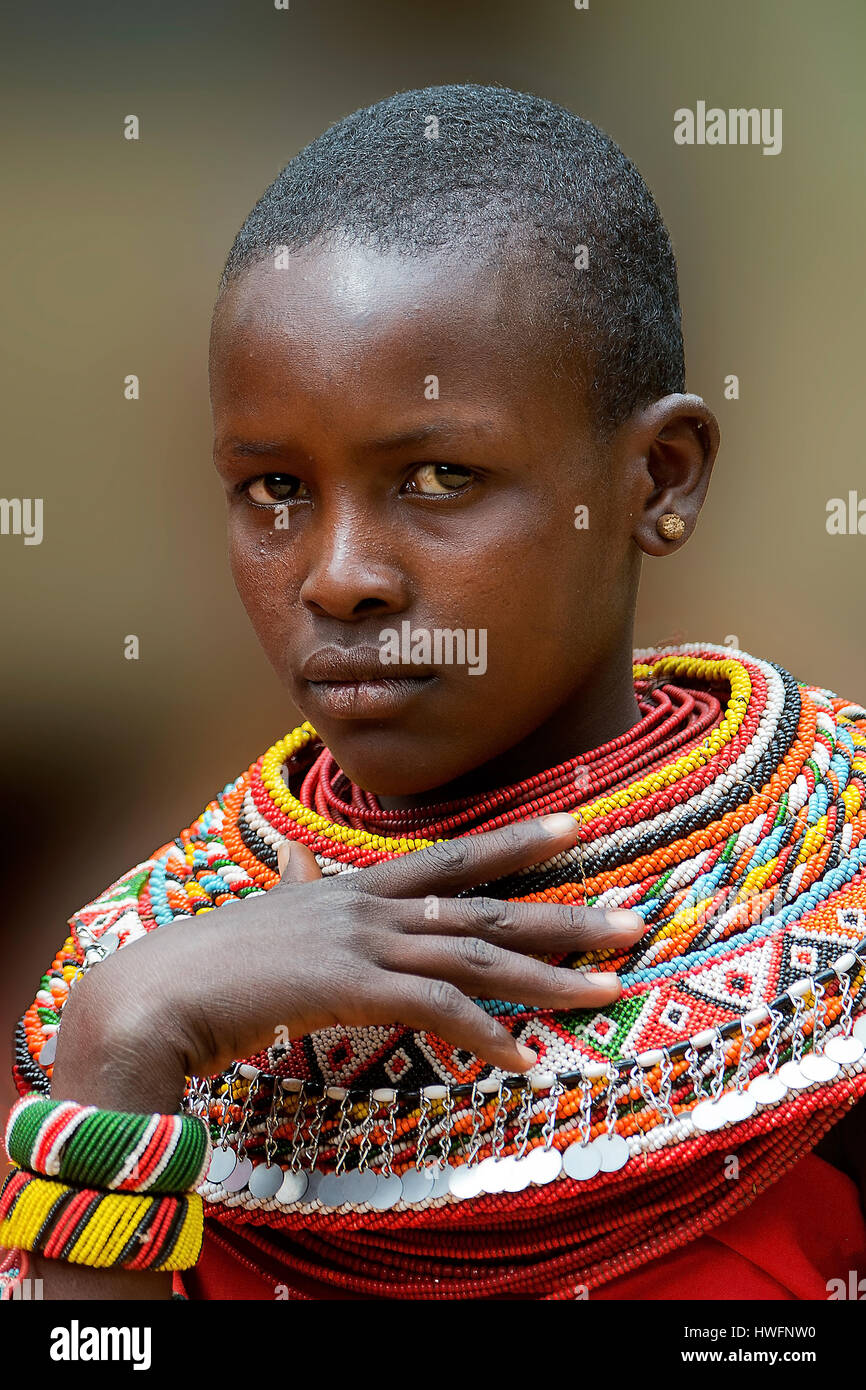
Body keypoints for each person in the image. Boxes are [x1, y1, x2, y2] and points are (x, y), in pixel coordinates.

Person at [3, 83, 866, 1303]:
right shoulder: (145, 966)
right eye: (271, 491)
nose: (338, 575)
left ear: (659, 478)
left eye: (440, 475)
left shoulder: (835, 904)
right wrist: (120, 1044)